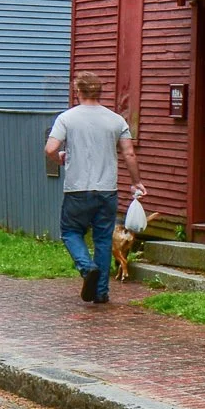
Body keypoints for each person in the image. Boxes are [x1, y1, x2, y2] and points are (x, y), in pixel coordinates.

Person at [45, 73, 141, 304]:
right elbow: (128, 153)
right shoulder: (116, 120)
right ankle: (101, 292)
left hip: (77, 189)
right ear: (100, 91)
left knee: (70, 232)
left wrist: (60, 158)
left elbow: (50, 149)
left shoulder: (67, 118)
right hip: (107, 190)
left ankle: (87, 268)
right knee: (103, 239)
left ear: (77, 90)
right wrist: (136, 181)